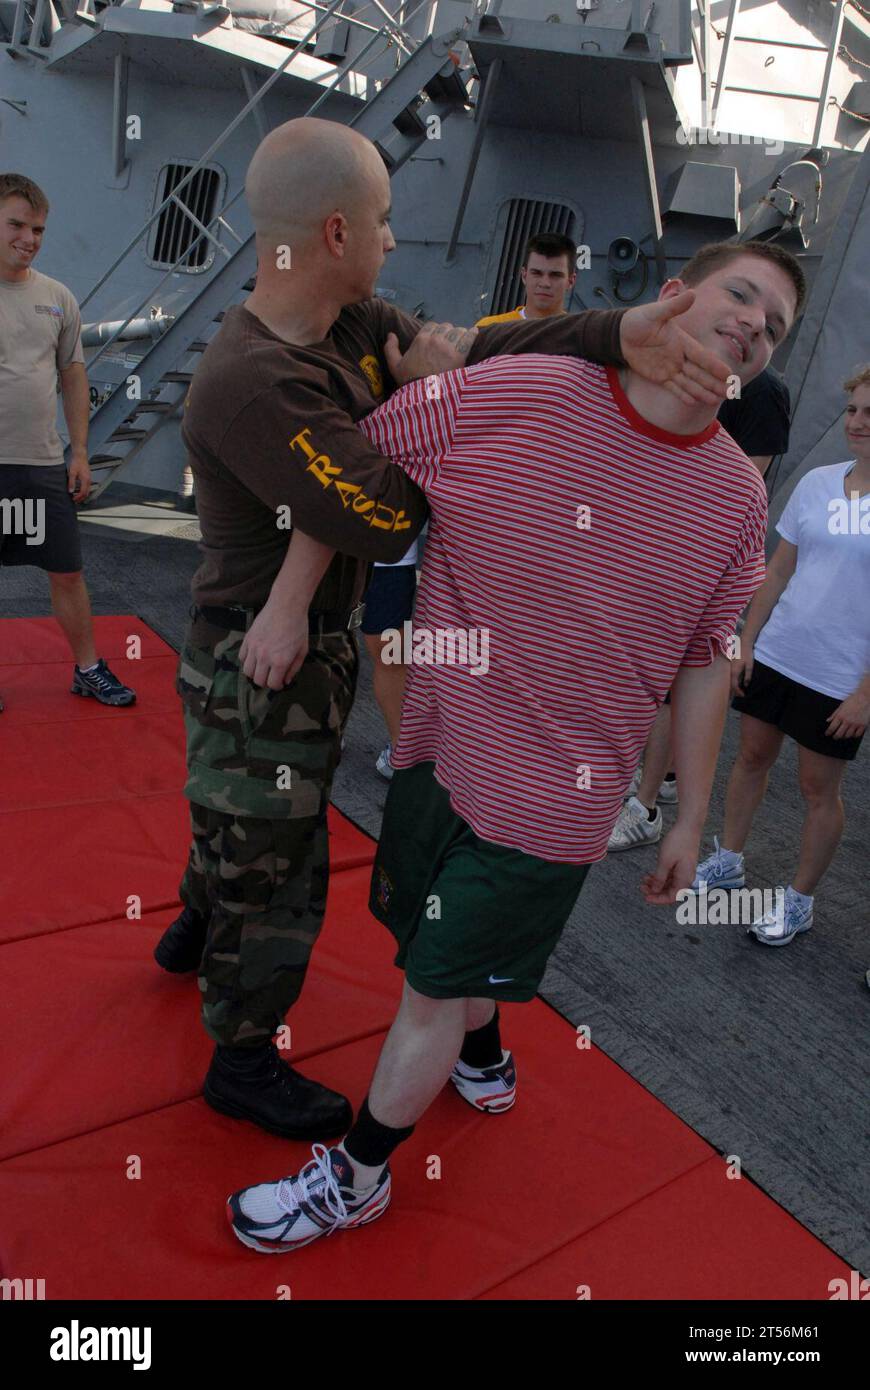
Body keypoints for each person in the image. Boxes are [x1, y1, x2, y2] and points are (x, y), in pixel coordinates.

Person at [156, 116, 731, 1143]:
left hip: (302, 639)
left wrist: (610, 335)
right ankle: (241, 1056)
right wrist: (438, 395)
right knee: (277, 866)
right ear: (337, 232)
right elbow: (389, 509)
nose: (393, 237)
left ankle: (198, 917)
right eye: (381, 220)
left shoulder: (337, 321)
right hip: (259, 657)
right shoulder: (255, 382)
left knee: (241, 827)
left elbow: (475, 349)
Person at [225, 239, 804, 1253]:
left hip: (556, 804)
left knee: (429, 984)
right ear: (674, 298)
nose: (755, 320)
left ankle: (358, 1175)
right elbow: (360, 464)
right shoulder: (527, 387)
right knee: (423, 939)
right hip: (440, 747)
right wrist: (285, 603)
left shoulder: (735, 499)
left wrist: (691, 814)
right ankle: (483, 1045)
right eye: (741, 293)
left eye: (777, 323)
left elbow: (707, 659)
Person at [692, 365, 870, 945]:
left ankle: (798, 900)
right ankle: (729, 861)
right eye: (853, 411)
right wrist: (748, 638)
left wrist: (865, 694)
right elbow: (777, 569)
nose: (859, 423)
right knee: (749, 758)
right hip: (780, 653)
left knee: (819, 789)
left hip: (840, 676)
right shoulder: (819, 482)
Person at [607, 352, 793, 852]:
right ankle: (654, 779)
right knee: (647, 674)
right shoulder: (693, 375)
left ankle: (644, 809)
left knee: (676, 681)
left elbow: (736, 486)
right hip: (657, 550)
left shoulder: (763, 392)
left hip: (701, 559)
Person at [0, 172, 135, 712]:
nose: (29, 238)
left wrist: (79, 452)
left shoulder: (57, 298)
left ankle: (88, 669)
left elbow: (73, 373)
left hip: (39, 462)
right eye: (16, 224)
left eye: (37, 229)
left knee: (68, 570)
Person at [360, 537, 419, 780]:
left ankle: (400, 750)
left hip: (390, 552)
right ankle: (323, 731)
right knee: (324, 637)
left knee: (391, 653)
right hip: (324, 546)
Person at [475, 232, 577, 326]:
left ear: (571, 281)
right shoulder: (488, 328)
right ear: (524, 276)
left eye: (555, 275)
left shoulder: (581, 336)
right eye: (536, 273)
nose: (545, 283)